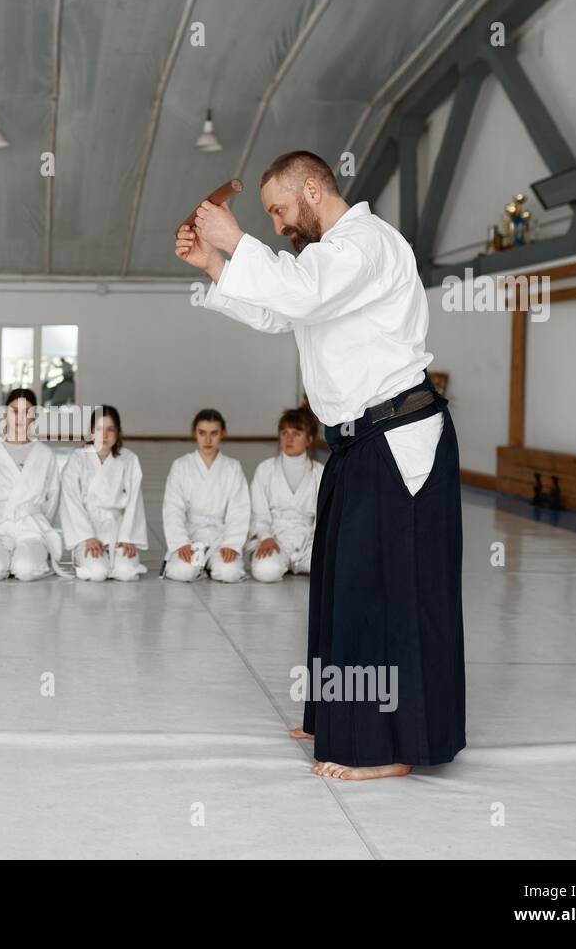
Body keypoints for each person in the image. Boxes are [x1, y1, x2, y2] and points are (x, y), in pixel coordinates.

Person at [178, 148, 465, 780]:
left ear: (313, 187)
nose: (278, 225)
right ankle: (336, 716)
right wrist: (214, 263)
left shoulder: (365, 243)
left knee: (382, 596)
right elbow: (285, 311)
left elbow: (299, 293)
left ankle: (386, 747)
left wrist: (237, 239)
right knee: (339, 588)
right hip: (356, 443)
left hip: (398, 442)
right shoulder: (326, 261)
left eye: (279, 209)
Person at [0, 388, 66, 581]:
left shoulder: (44, 454)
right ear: (5, 413)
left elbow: (52, 499)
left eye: (27, 412)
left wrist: (40, 523)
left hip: (31, 527)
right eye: (15, 411)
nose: (20, 418)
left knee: (26, 570)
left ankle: (37, 551)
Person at [58, 404, 147, 581]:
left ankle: (116, 557)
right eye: (99, 429)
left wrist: (128, 536)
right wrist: (87, 536)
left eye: (110, 429)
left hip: (118, 530)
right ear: (91, 432)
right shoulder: (77, 459)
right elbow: (70, 501)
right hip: (88, 531)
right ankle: (87, 556)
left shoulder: (129, 460)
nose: (104, 435)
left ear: (118, 432)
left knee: (126, 572)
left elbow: (135, 501)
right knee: (98, 573)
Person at [161, 409, 250, 582]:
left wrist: (231, 544)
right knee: (182, 572)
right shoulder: (181, 466)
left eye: (214, 433)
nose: (208, 440)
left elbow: (239, 510)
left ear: (223, 434)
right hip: (191, 536)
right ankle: (200, 566)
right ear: (194, 433)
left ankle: (209, 565)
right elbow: (173, 508)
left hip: (221, 537)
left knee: (229, 573)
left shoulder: (233, 467)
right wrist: (181, 543)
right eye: (202, 433)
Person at [247, 406, 324, 583]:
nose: (289, 438)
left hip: (308, 541)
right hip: (274, 538)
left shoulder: (320, 473)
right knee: (265, 570)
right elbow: (258, 512)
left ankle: (301, 563)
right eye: (284, 433)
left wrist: (319, 546)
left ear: (309, 439)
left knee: (333, 567)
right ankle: (280, 562)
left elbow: (323, 518)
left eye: (296, 433)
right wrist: (265, 537)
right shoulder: (265, 470)